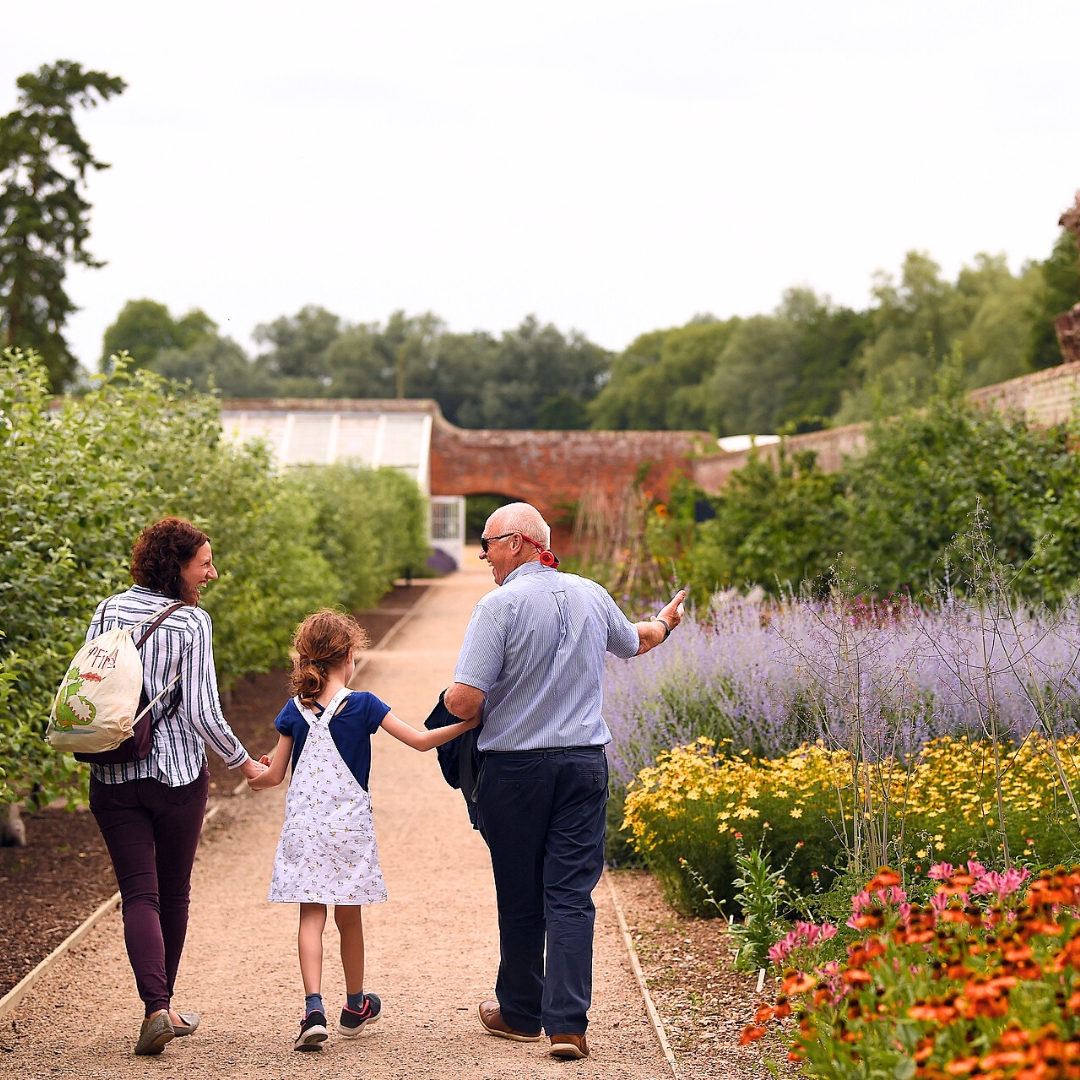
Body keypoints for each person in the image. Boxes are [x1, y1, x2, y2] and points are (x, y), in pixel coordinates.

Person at [443, 502, 686, 1061]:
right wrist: (668, 622)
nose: (483, 556)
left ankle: (521, 1013)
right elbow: (637, 640)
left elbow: (465, 699)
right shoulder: (592, 593)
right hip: (582, 765)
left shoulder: (497, 606)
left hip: (516, 770)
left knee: (521, 891)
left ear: (518, 543)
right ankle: (568, 1026)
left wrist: (446, 707)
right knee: (572, 896)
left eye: (487, 544)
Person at [248, 609, 480, 1052]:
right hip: (349, 829)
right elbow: (418, 740)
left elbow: (273, 776)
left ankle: (312, 1008)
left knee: (310, 915)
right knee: (348, 917)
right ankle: (355, 1005)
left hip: (305, 829)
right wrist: (469, 723)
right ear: (349, 656)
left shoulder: (292, 712)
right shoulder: (365, 704)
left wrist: (249, 771)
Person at [85, 517, 268, 1057]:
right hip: (177, 776)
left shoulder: (108, 609)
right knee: (173, 892)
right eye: (204, 563)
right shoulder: (191, 623)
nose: (212, 572)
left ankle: (157, 1008)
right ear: (177, 566)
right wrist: (246, 765)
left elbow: (93, 685)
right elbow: (204, 712)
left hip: (114, 772)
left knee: (138, 893)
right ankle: (158, 1010)